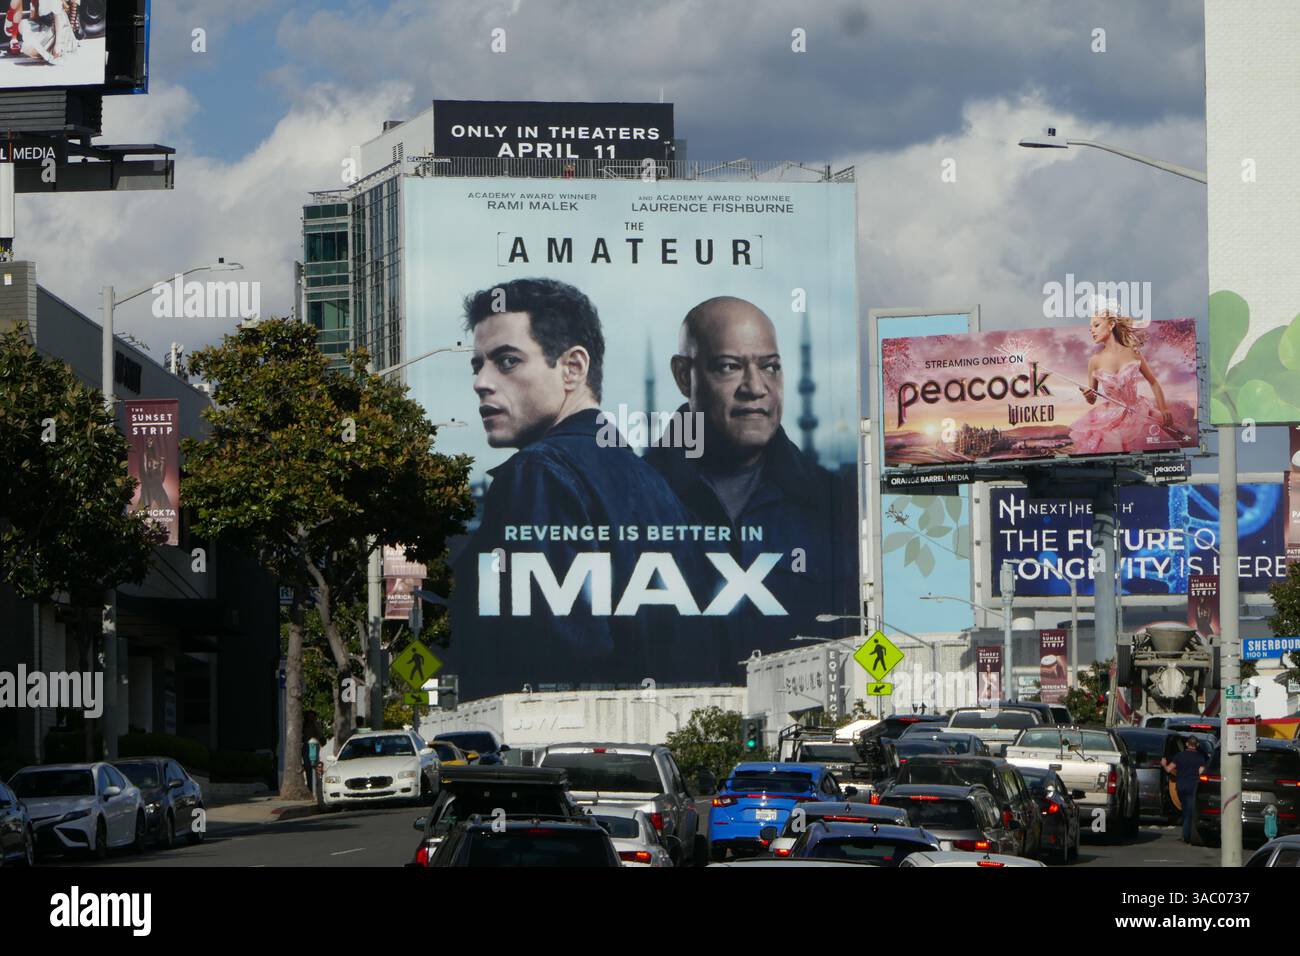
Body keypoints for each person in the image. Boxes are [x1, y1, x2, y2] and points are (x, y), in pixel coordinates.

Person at [448, 278, 709, 699]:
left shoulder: (538, 474)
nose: (482, 382)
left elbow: (555, 654)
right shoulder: (650, 482)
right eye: (477, 365)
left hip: (552, 746)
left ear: (573, 368)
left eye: (507, 361)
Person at [646, 296, 858, 660]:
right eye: (730, 367)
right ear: (684, 376)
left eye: (771, 367)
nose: (756, 387)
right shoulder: (630, 499)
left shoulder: (832, 504)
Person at [1069, 310, 1177, 454]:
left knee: (1157, 443)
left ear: (1111, 324)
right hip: (1109, 420)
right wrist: (1088, 395)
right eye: (1090, 329)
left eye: (1096, 325)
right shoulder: (1094, 361)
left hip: (1138, 413)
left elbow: (1153, 382)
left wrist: (1164, 409)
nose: (1092, 331)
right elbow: (1092, 399)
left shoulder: (1133, 352)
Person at [1162, 735, 1206, 843]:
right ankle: (1187, 836)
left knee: (1185, 810)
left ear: (1187, 744)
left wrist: (1163, 764)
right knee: (1189, 812)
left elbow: (1168, 769)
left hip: (1181, 786)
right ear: (1197, 745)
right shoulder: (1200, 758)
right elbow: (1201, 773)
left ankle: (1185, 835)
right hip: (1193, 786)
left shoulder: (1179, 756)